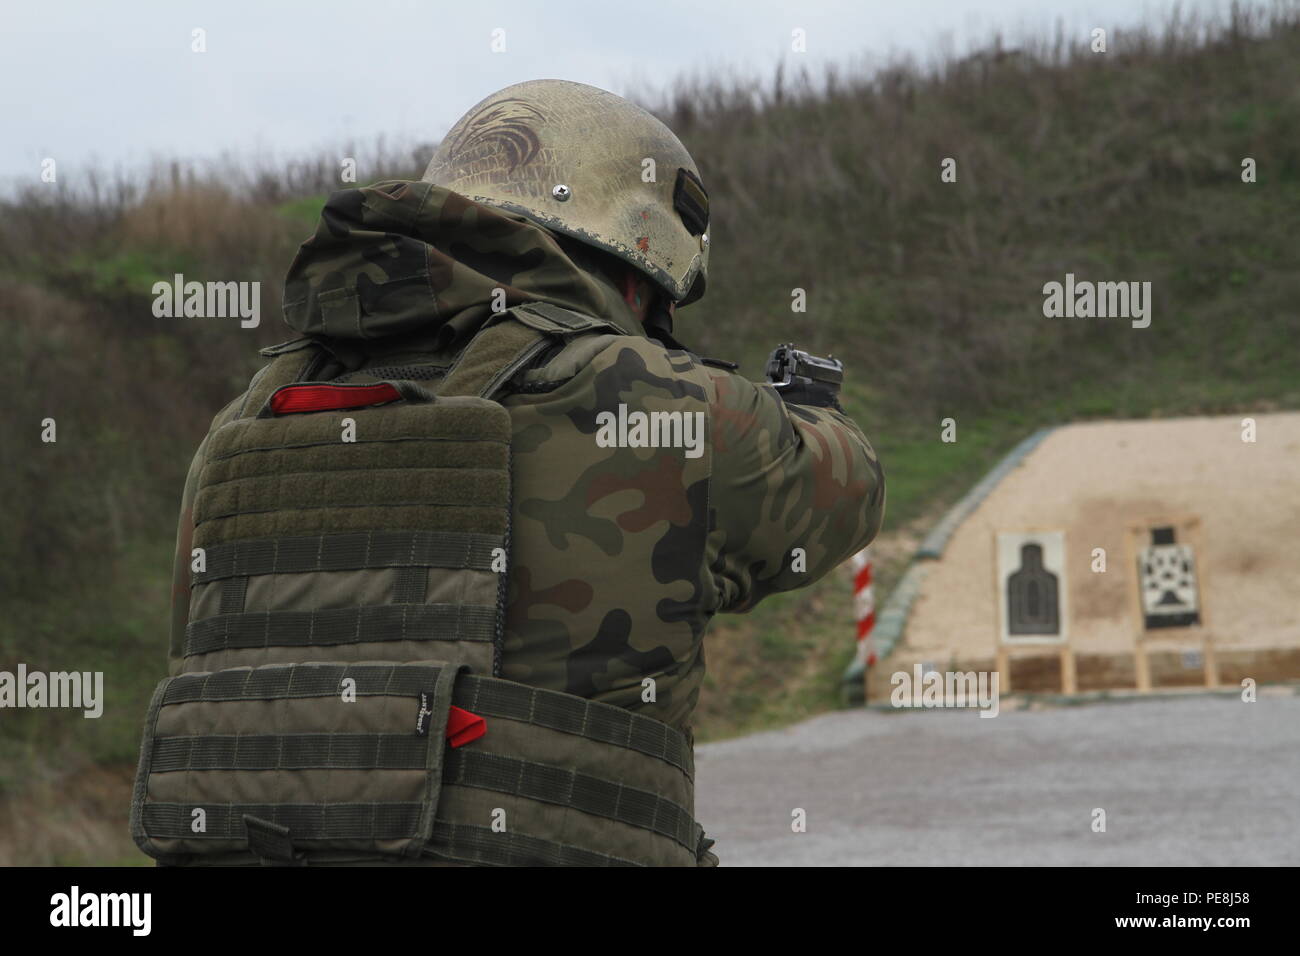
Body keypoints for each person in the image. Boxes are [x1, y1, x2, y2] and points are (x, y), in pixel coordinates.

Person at [133, 79, 885, 867]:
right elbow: (848, 490)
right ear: (634, 268)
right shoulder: (670, 405)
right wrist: (808, 406)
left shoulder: (249, 418)